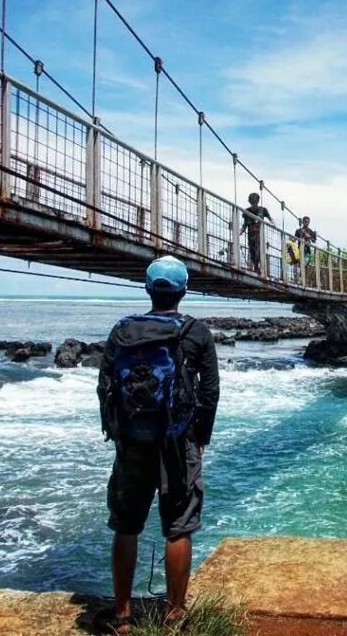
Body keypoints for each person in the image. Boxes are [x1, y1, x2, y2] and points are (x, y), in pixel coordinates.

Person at [96, 255, 220, 634]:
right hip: (177, 443)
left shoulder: (122, 331)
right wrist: (199, 439)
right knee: (178, 527)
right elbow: (210, 393)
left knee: (126, 526)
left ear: (148, 289)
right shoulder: (195, 332)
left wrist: (118, 433)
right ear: (184, 291)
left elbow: (105, 388)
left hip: (133, 441)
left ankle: (121, 616)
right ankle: (176, 615)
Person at [240, 192, 272, 274]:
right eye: (252, 201)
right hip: (251, 234)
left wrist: (274, 225)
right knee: (252, 251)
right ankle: (256, 267)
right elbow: (245, 224)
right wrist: (239, 232)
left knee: (259, 251)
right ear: (249, 201)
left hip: (259, 234)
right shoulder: (246, 211)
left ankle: (259, 268)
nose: (253, 202)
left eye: (255, 201)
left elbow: (270, 219)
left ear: (258, 201)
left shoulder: (263, 210)